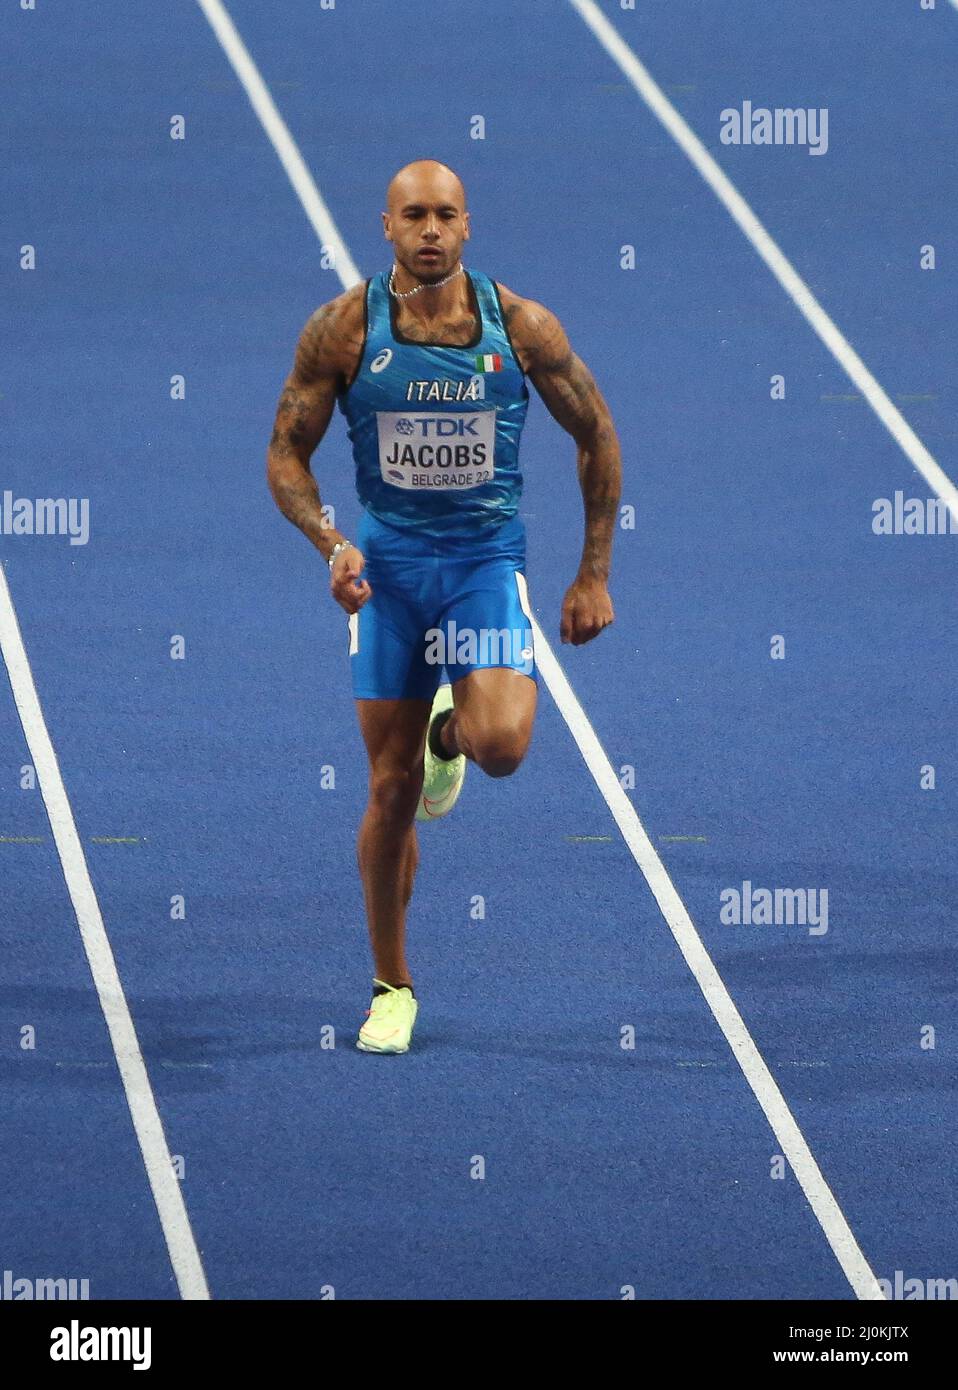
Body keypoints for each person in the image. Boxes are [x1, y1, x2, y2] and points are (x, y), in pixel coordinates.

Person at [267, 159, 621, 1053]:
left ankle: (448, 734)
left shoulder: (523, 327)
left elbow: (595, 432)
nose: (431, 231)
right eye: (413, 216)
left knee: (501, 747)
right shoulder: (343, 331)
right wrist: (332, 543)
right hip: (388, 571)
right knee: (387, 791)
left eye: (446, 216)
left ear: (468, 227)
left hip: (480, 564)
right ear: (385, 226)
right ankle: (392, 985)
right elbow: (284, 455)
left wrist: (593, 573)